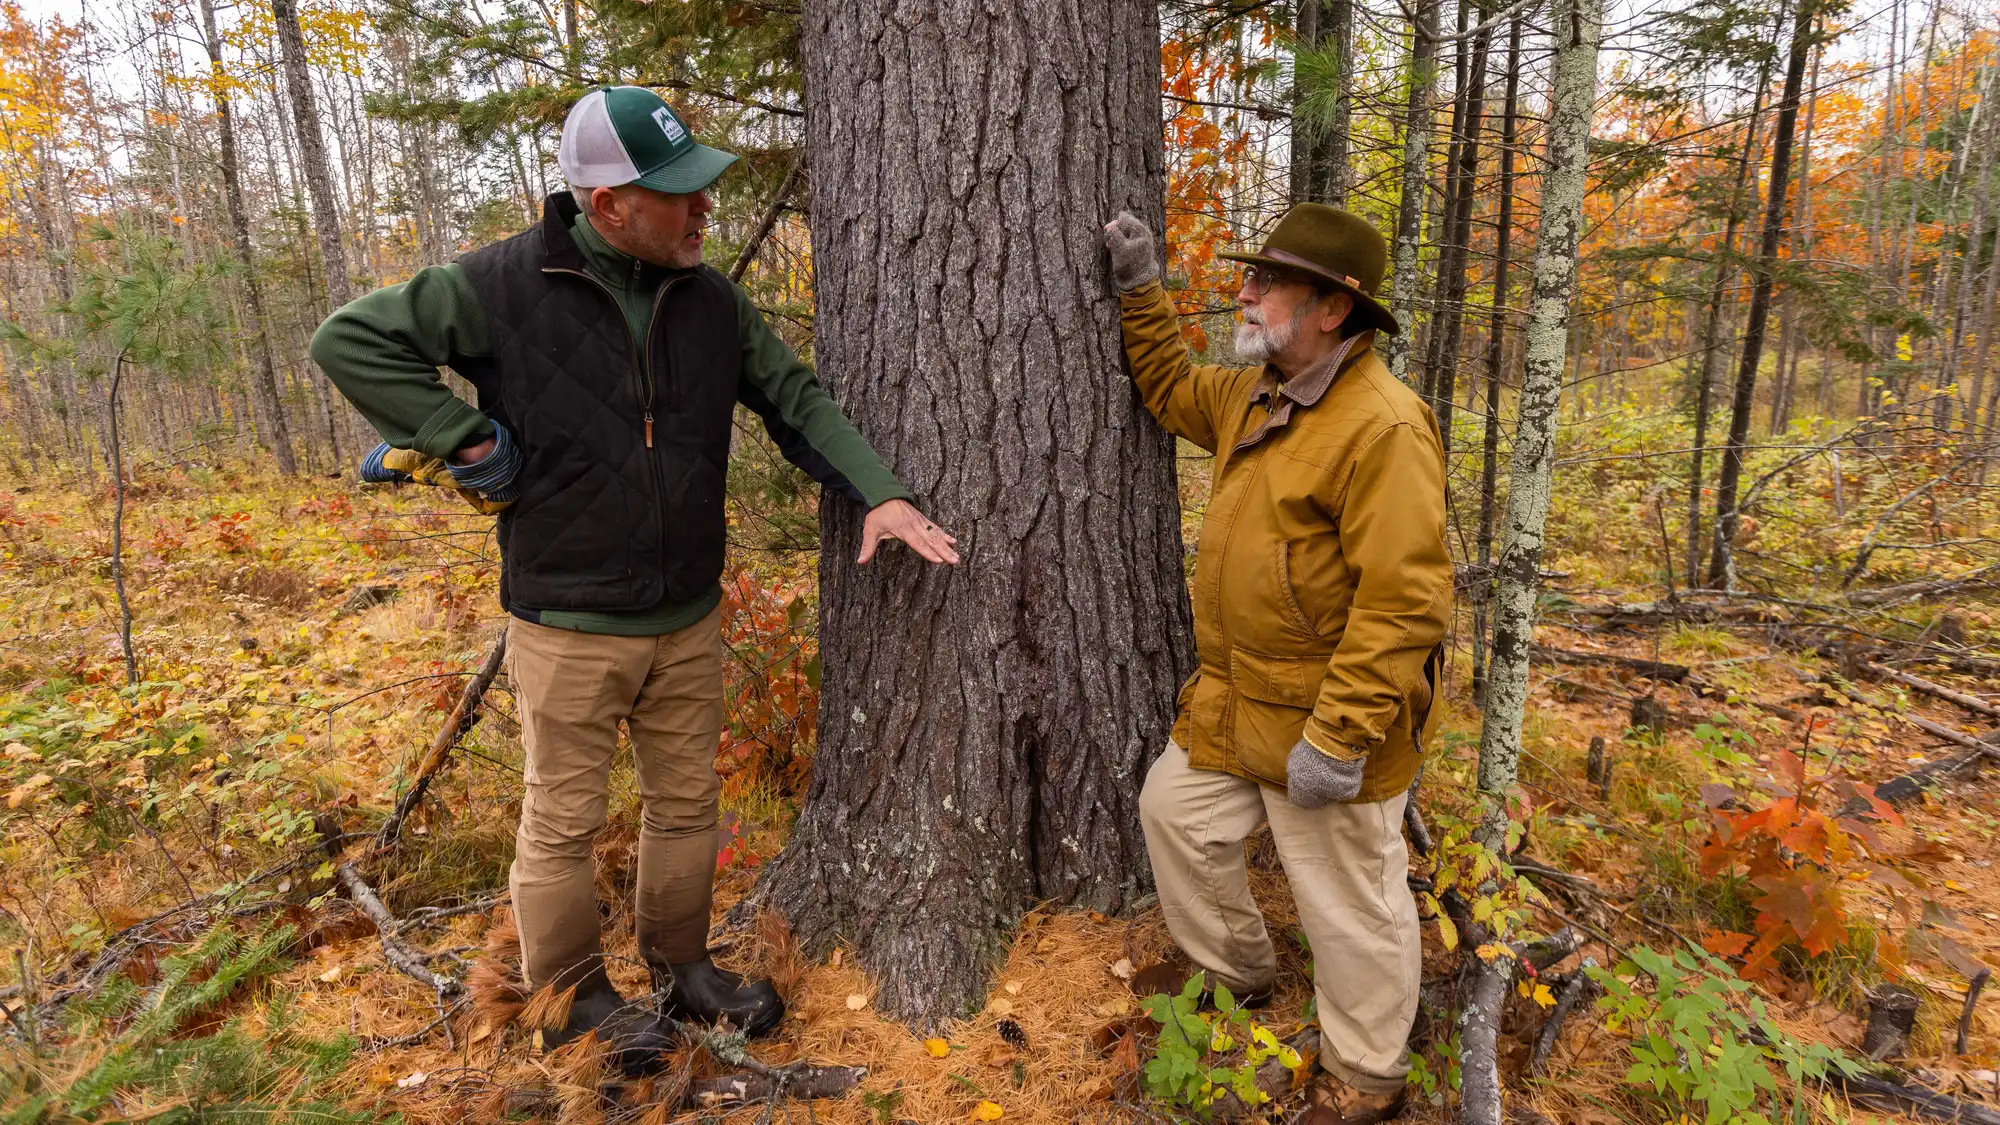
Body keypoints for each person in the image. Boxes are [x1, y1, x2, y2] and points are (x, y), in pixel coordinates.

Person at [314, 85, 960, 1076]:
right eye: (680, 197)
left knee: (686, 802)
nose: (705, 212)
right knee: (563, 823)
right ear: (609, 202)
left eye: (702, 193)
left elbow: (793, 398)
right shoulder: (497, 286)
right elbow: (348, 341)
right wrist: (460, 435)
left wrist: (877, 492)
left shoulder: (709, 302)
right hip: (567, 620)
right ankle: (571, 1001)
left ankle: (684, 967)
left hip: (686, 616)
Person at [1101, 205, 1451, 1125]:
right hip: (1235, 701)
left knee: (1349, 903)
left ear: (1333, 309)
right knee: (1174, 814)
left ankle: (1366, 1076)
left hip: (1329, 717)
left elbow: (1405, 599)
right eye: (1250, 276)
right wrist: (1142, 291)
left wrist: (1337, 740)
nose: (1245, 292)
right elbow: (1173, 388)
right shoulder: (1257, 392)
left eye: (1267, 282)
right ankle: (1238, 974)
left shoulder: (1384, 428)